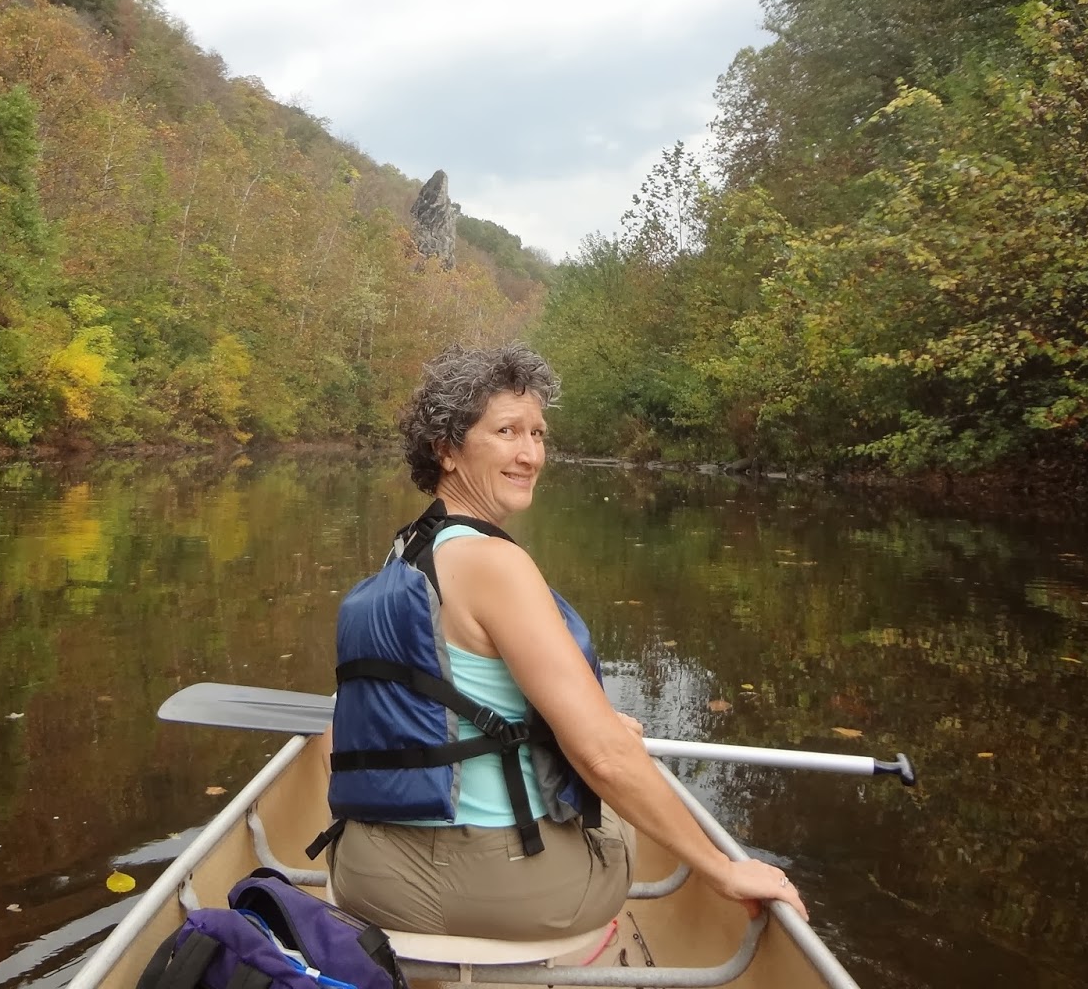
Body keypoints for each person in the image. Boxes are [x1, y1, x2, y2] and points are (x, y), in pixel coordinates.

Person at [318, 344, 808, 941]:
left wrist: (593, 723)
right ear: (445, 448)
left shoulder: (408, 551)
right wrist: (723, 869)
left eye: (539, 434)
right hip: (487, 887)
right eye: (506, 432)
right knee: (616, 817)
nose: (530, 455)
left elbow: (366, 725)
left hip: (365, 872)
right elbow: (601, 758)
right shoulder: (495, 563)